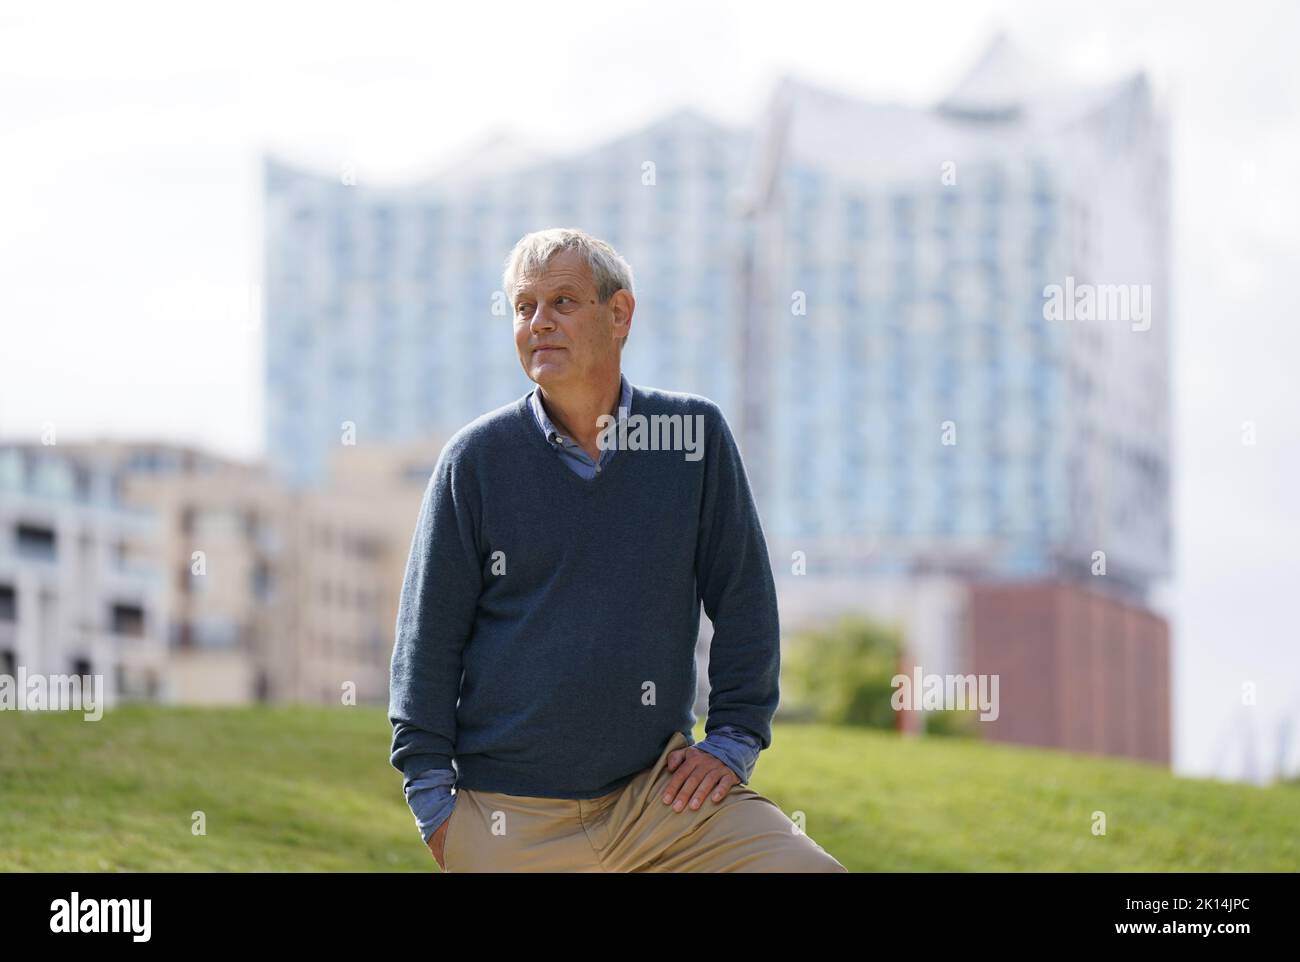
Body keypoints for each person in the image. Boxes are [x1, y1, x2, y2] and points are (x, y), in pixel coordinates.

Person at [388, 227, 846, 872]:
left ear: (620, 312)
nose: (539, 323)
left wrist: (733, 742)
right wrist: (435, 808)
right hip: (510, 816)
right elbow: (426, 640)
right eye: (524, 308)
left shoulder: (691, 438)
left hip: (666, 803)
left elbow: (744, 599)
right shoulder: (476, 460)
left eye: (563, 302)